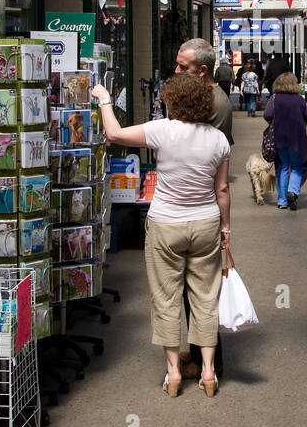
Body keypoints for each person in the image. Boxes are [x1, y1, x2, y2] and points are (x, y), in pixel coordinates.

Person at [92, 72, 229, 397]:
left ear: (172, 100)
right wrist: (225, 227)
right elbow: (221, 188)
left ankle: (173, 374)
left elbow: (113, 134)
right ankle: (209, 373)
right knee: (206, 299)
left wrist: (104, 99)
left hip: (165, 224)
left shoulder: (162, 131)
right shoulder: (218, 139)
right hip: (206, 222)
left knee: (166, 297)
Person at [174, 38, 231, 376]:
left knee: (199, 291)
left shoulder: (210, 103)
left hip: (200, 207)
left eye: (183, 67)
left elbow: (207, 161)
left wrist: (225, 227)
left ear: (203, 70)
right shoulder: (206, 97)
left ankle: (209, 362)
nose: (177, 70)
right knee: (192, 289)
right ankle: (198, 354)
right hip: (197, 204)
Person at [263, 72, 307, 210]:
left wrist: (273, 123)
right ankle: (293, 191)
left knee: (282, 167)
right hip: (297, 139)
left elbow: (267, 115)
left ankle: (282, 201)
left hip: (279, 137)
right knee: (297, 166)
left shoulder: (274, 98)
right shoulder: (299, 99)